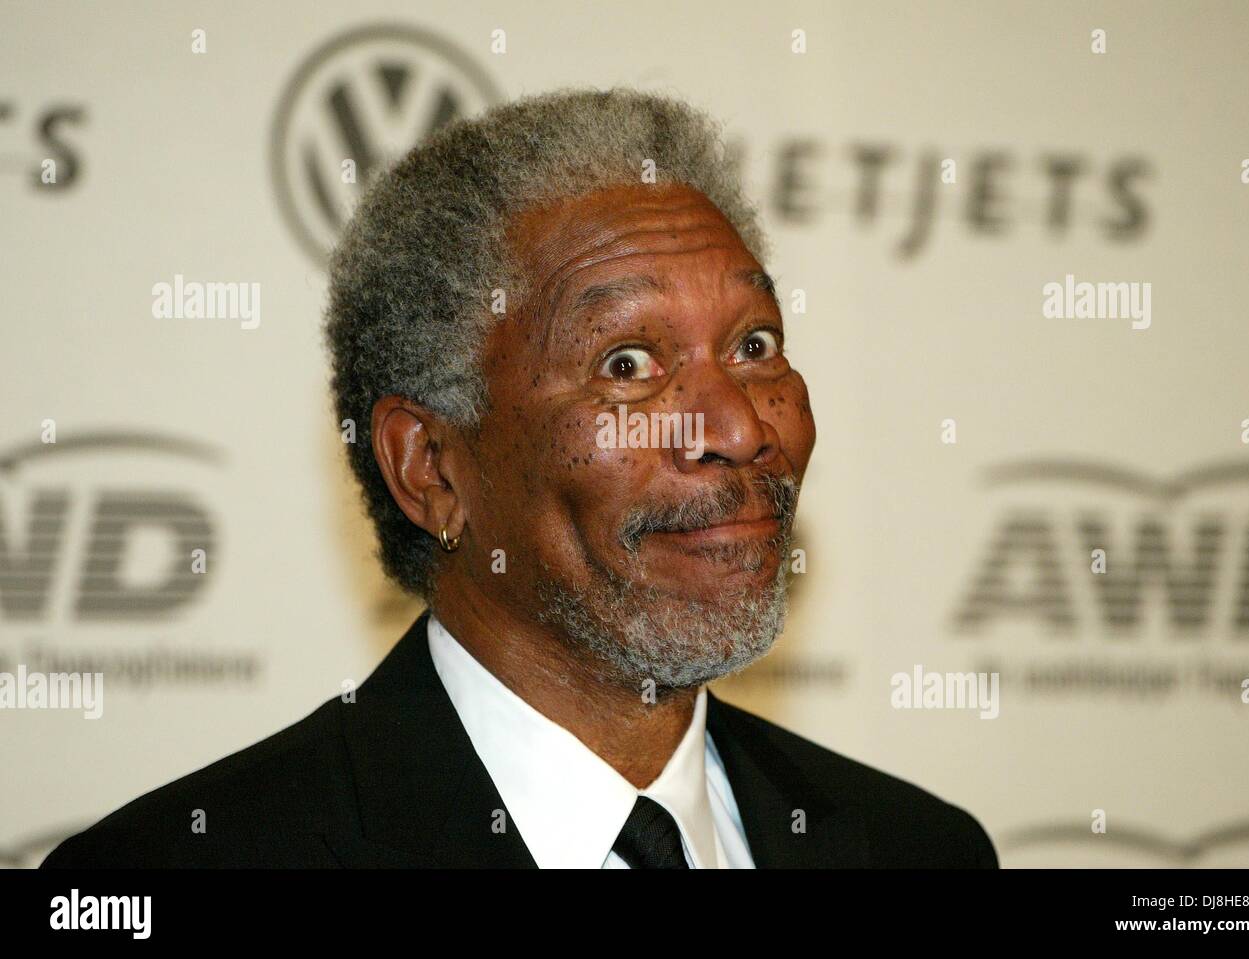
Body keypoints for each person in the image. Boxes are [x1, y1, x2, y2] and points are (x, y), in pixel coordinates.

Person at [43, 87, 997, 868]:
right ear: (431, 470)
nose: (739, 427)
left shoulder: (918, 851)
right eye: (627, 365)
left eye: (754, 345)